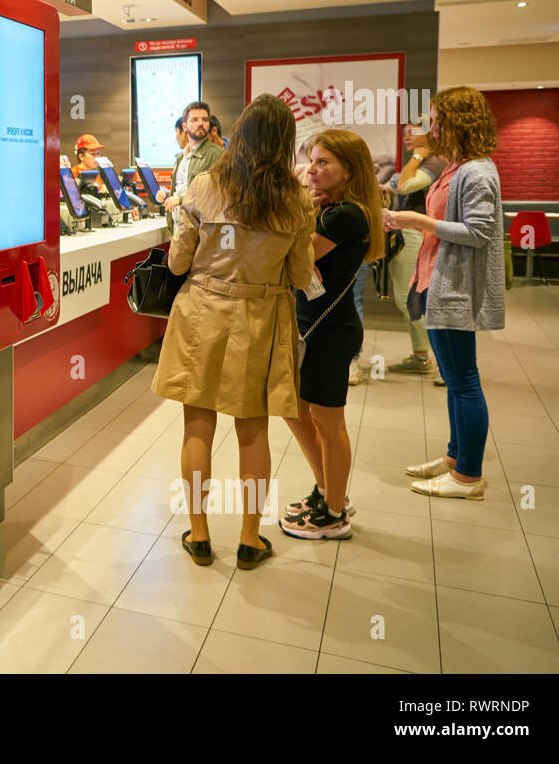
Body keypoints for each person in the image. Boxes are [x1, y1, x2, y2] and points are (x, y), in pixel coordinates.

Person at [152, 94, 316, 570]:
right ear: (285, 143)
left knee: (197, 424)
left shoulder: (204, 187)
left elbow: (179, 260)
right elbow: (302, 274)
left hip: (202, 310)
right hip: (261, 318)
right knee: (253, 431)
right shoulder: (296, 201)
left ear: (239, 134)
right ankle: (249, 539)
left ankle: (199, 535)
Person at [386, 87, 504, 499]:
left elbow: (477, 232)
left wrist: (418, 220)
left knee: (463, 381)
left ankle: (468, 476)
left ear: (459, 123)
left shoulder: (477, 171)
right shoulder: (457, 167)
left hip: (453, 286)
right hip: (438, 281)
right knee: (456, 380)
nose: (430, 127)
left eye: (436, 119)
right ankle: (456, 457)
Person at [280, 129, 384, 540]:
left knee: (327, 419)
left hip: (330, 329)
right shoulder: (328, 208)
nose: (313, 169)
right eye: (312, 159)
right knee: (298, 411)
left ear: (349, 170)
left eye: (324, 162)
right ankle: (327, 490)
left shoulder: (347, 214)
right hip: (313, 325)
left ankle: (335, 513)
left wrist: (301, 213)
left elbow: (290, 255)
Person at [382, 121, 449, 381]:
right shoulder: (424, 162)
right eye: (404, 133)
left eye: (412, 132)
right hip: (408, 234)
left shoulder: (432, 162)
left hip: (416, 234)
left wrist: (419, 155)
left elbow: (405, 186)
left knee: (409, 298)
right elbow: (396, 185)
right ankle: (422, 356)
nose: (406, 137)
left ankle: (442, 362)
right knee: (408, 299)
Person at [156, 103, 223, 225]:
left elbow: (215, 194)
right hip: (177, 225)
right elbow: (181, 188)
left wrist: (180, 200)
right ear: (185, 126)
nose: (201, 123)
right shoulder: (180, 157)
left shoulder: (217, 154)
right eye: (195, 120)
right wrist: (167, 195)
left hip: (199, 230)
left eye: (205, 120)